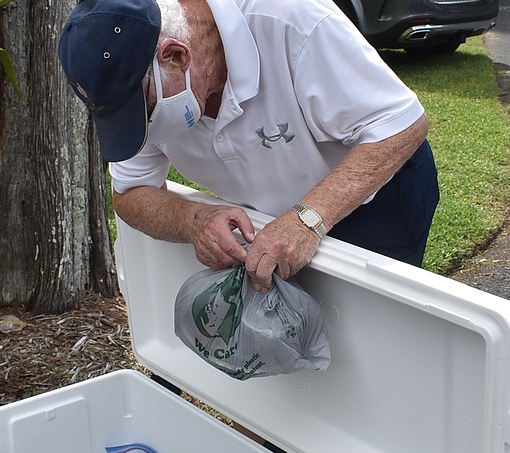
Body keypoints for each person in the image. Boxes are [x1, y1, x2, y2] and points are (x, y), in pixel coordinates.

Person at [58, 0, 440, 295]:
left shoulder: (291, 19)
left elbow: (400, 125)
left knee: (375, 339)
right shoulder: (136, 81)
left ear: (176, 56)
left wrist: (307, 220)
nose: (143, 130)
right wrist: (194, 221)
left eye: (146, 111)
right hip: (273, 219)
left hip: (373, 195)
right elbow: (130, 192)